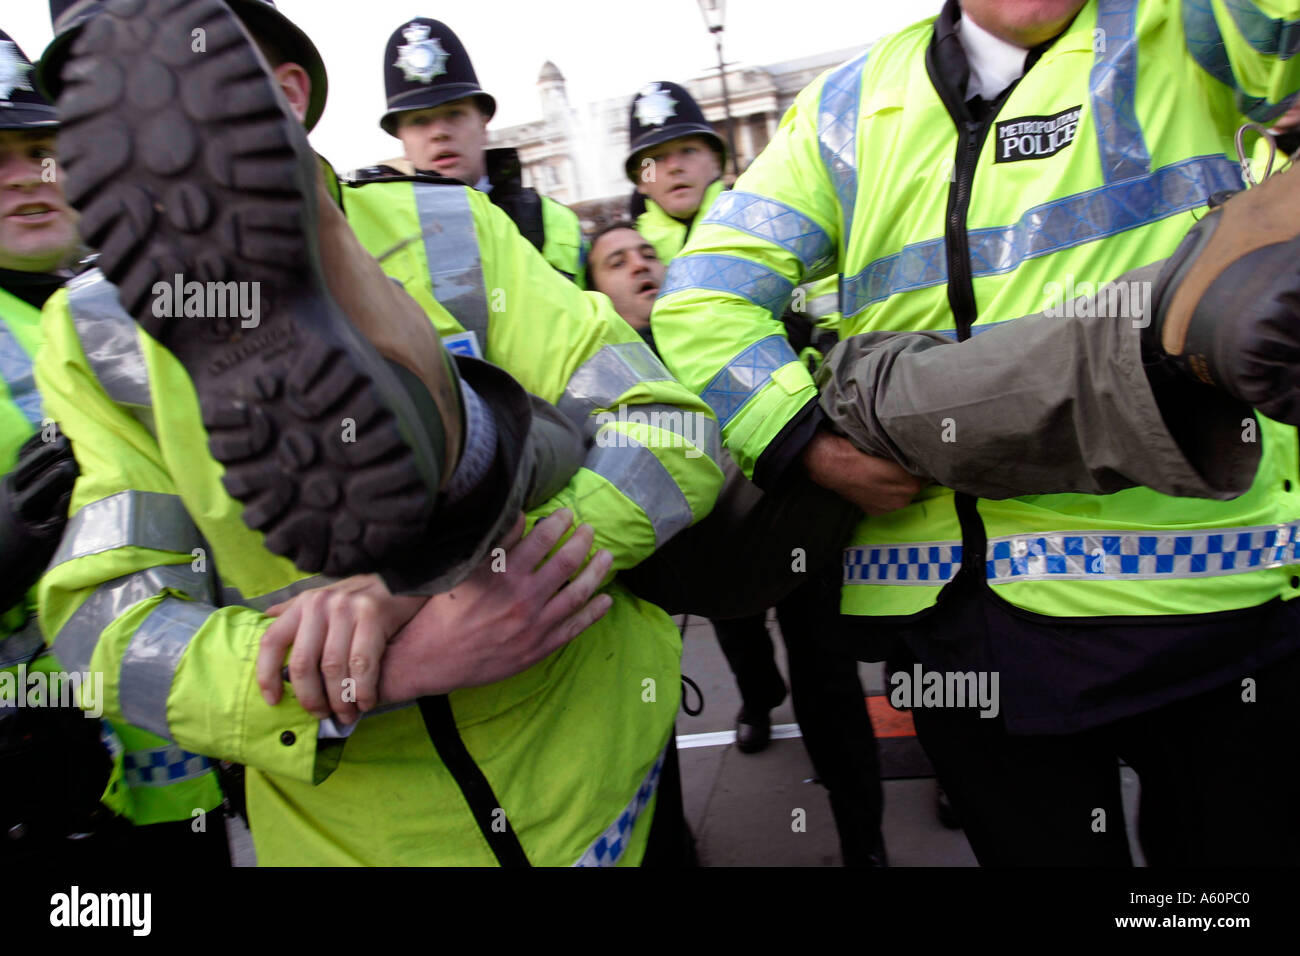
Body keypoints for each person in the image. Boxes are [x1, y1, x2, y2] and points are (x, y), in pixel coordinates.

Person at [36, 0, 722, 866]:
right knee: (495, 446)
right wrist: (378, 671)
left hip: (608, 784)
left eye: (192, 64)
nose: (155, 112)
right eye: (108, 95)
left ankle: (465, 447)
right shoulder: (96, 335)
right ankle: (464, 444)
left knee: (512, 444)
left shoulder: (451, 230)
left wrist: (475, 578)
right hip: (369, 836)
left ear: (285, 91)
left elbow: (671, 429)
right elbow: (108, 624)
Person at [651, 0, 1300, 866]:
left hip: (1202, 605)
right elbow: (703, 298)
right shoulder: (844, 107)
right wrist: (809, 441)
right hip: (959, 625)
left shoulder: (1183, 24)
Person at [588, 219, 886, 864]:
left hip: (792, 539)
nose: (641, 265)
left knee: (828, 685)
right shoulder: (598, 379)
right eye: (617, 262)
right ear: (594, 295)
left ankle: (864, 842)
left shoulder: (714, 328)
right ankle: (748, 712)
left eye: (647, 253)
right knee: (663, 690)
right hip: (691, 569)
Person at [0, 29, 230, 865]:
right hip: (41, 797)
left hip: (189, 776)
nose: (26, 175)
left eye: (41, 148)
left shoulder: (138, 306)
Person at [355, 18, 586, 285]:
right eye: (419, 121)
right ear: (403, 142)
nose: (439, 132)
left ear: (483, 123)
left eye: (454, 113)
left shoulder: (556, 221)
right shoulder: (368, 233)